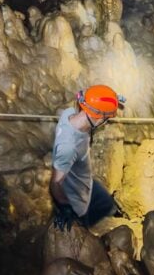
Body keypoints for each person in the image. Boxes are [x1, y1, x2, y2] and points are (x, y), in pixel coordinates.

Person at [50, 84, 126, 230]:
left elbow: (90, 98)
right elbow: (55, 183)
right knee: (82, 239)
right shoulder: (68, 146)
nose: (106, 121)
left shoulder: (70, 113)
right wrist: (67, 208)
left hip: (85, 183)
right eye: (106, 118)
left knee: (108, 204)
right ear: (97, 117)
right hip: (77, 203)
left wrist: (111, 98)